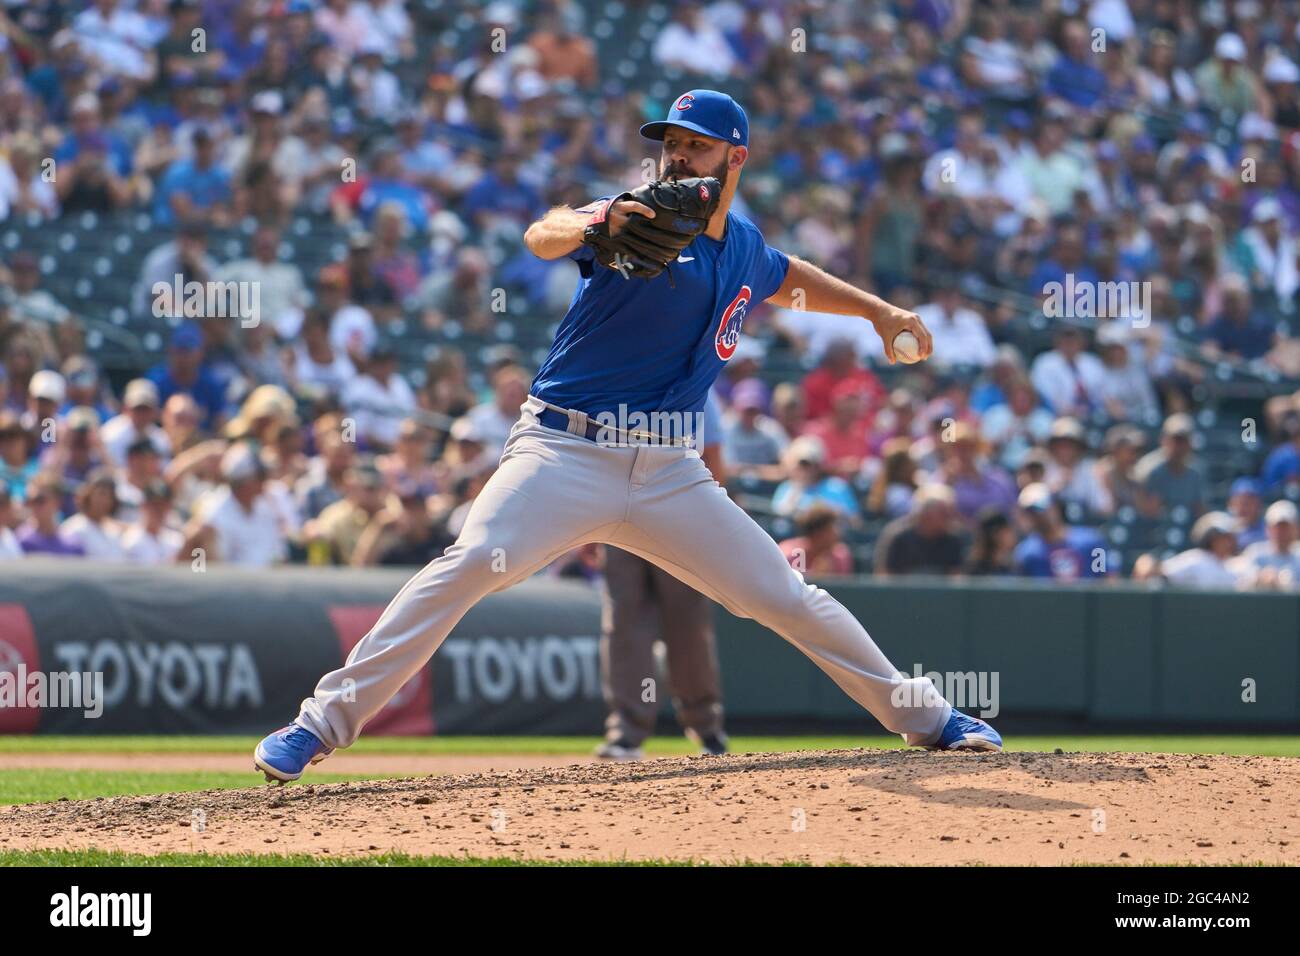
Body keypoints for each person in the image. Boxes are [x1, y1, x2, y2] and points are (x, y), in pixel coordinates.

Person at [255, 89, 999, 783]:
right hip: (564, 450)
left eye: (698, 146)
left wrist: (877, 313)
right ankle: (320, 723)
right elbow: (543, 233)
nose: (678, 155)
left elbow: (788, 276)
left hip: (672, 470)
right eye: (672, 142)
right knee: (473, 560)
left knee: (783, 594)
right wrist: (594, 224)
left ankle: (927, 717)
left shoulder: (742, 246)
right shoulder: (631, 215)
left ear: (736, 158)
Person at [597, 396, 729, 762]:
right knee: (624, 626)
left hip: (681, 520)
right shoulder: (616, 378)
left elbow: (713, 454)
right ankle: (626, 732)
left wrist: (711, 519)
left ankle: (707, 728)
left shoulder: (697, 380)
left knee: (687, 629)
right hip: (619, 520)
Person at [1012, 483, 1111, 582]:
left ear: (1054, 507)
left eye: (1040, 508)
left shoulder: (1093, 543)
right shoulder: (1026, 553)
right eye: (1030, 512)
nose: (1037, 516)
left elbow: (1107, 578)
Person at [873, 484, 966, 577]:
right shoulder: (896, 535)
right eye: (944, 514)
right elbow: (883, 575)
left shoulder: (953, 540)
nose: (950, 518)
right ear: (926, 515)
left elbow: (956, 576)